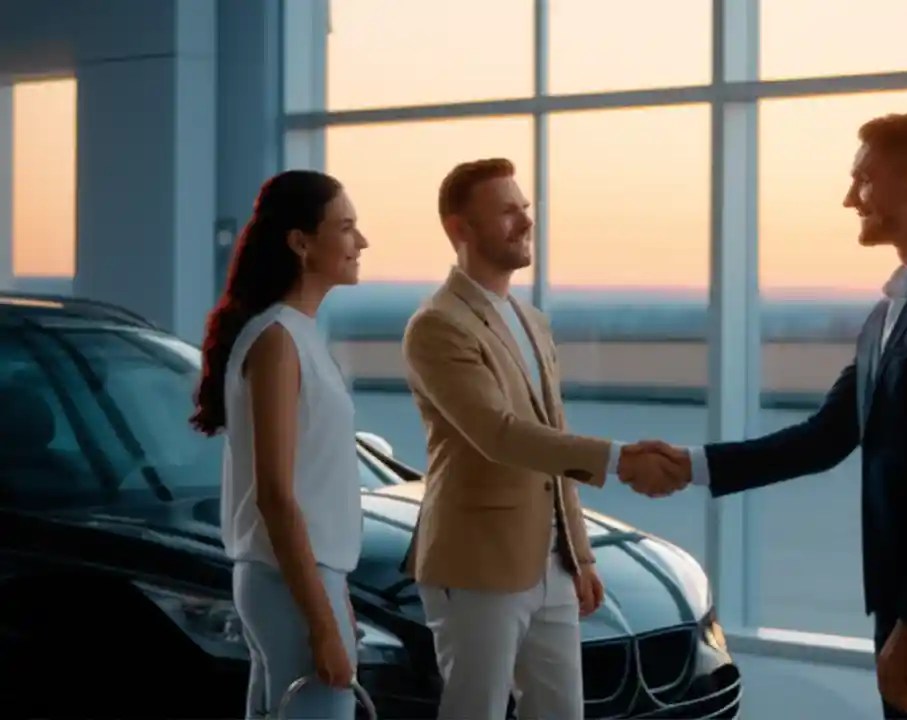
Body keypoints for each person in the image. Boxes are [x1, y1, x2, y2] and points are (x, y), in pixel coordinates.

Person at [625, 113, 907, 719]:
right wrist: (689, 465)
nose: (851, 198)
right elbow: (824, 438)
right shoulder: (888, 316)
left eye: (864, 181)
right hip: (906, 602)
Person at [399, 158, 677, 719]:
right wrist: (619, 459)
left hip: (551, 564)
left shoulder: (531, 321)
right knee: (473, 711)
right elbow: (499, 435)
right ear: (460, 229)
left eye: (525, 209)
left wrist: (580, 553)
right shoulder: (437, 325)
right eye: (506, 211)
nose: (525, 222)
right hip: (475, 562)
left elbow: (551, 439)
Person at [191, 170, 370, 719]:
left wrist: (335, 598)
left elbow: (313, 488)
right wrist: (321, 622)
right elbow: (276, 495)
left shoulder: (294, 334)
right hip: (290, 585)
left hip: (299, 582)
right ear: (300, 242)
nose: (361, 242)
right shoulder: (278, 341)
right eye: (346, 227)